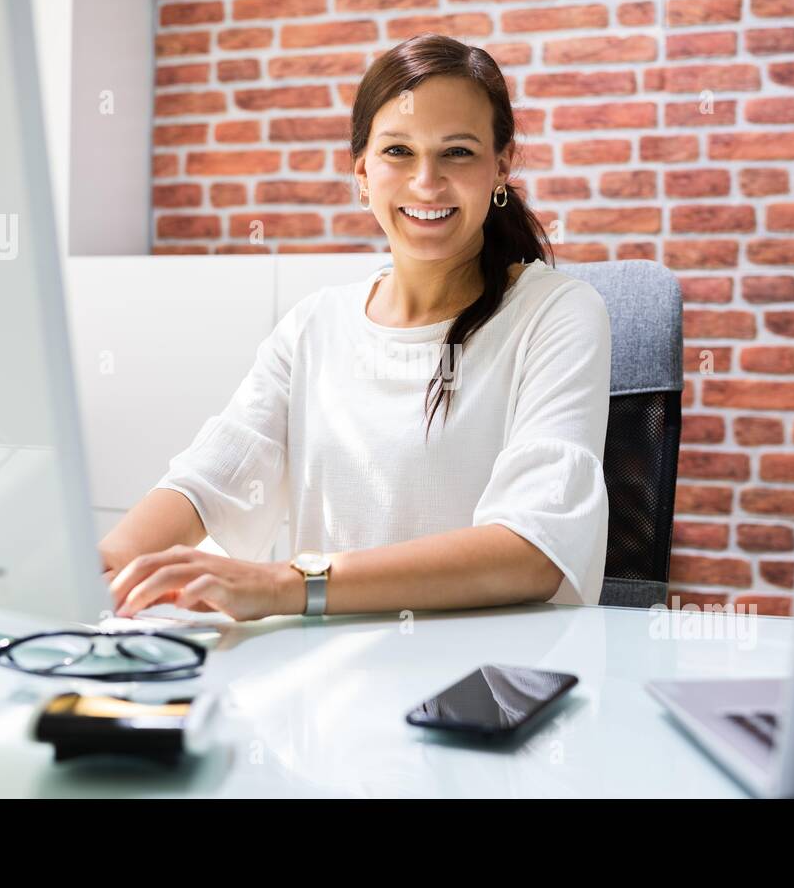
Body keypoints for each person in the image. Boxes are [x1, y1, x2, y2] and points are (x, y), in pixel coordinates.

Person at [102, 33, 611, 622]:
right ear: (362, 171)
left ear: (501, 167)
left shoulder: (558, 315)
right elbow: (210, 480)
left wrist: (286, 585)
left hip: (488, 685)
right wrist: (107, 565)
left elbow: (532, 550)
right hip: (331, 676)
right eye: (398, 151)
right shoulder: (314, 325)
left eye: (458, 152)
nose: (426, 182)